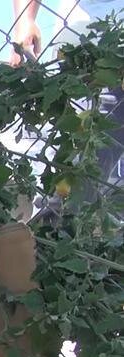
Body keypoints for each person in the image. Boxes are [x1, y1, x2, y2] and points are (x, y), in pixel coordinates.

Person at [11, 0, 124, 207]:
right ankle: (59, 221)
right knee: (82, 156)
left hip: (86, 43)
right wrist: (25, 20)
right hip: (88, 48)